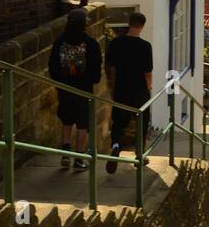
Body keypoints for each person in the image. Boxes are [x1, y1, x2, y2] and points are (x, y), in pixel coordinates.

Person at [48, 9, 103, 170]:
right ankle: (79, 158)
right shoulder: (90, 43)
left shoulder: (59, 42)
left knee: (66, 120)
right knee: (82, 123)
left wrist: (60, 82)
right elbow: (96, 67)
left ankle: (65, 154)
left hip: (65, 88)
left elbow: (52, 65)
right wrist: (92, 80)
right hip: (84, 89)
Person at [105, 12, 153, 174]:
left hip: (121, 89)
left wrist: (112, 86)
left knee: (118, 121)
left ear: (129, 24)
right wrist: (148, 89)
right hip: (140, 91)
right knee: (142, 122)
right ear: (142, 26)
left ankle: (116, 146)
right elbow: (148, 73)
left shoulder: (116, 43)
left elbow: (110, 68)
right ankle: (139, 155)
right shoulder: (145, 46)